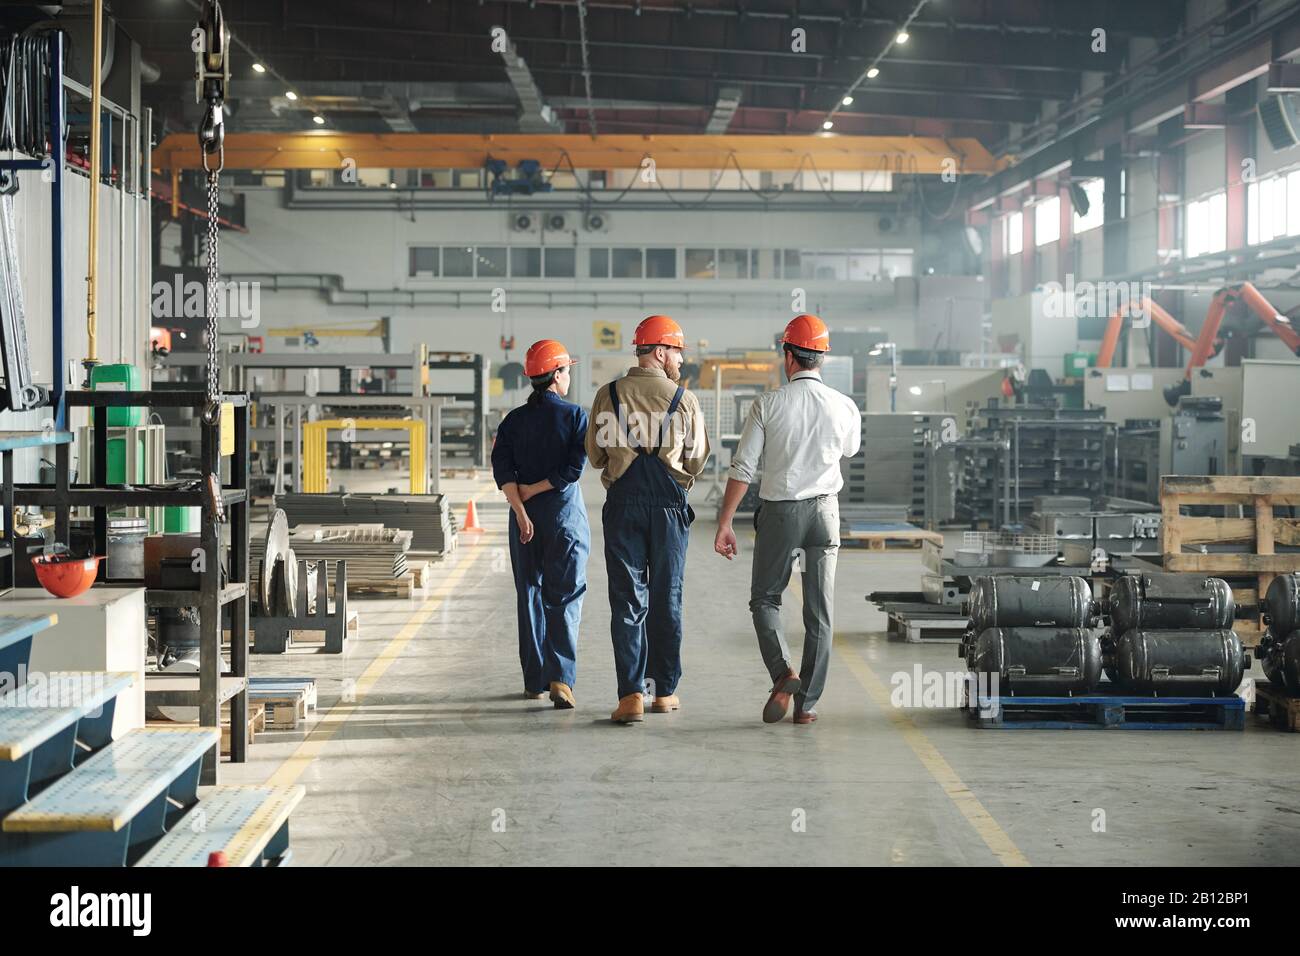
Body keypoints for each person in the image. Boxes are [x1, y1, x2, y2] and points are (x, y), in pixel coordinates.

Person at [713, 314, 862, 725]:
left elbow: (743, 468)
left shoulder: (769, 404)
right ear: (822, 360)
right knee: (820, 612)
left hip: (781, 512)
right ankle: (807, 705)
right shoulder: (845, 406)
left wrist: (724, 522)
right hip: (826, 514)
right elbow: (849, 451)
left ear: (787, 356)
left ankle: (783, 674)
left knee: (765, 598)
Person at [586, 315, 711, 724]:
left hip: (622, 506)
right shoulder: (684, 399)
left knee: (626, 600)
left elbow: (595, 456)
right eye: (676, 350)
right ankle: (665, 692)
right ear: (659, 351)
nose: (679, 359)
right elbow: (696, 459)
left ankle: (631, 696)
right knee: (666, 597)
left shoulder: (607, 395)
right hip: (670, 508)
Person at [491, 339, 590, 710]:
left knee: (529, 593)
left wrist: (520, 507)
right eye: (567, 371)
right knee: (564, 595)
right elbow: (573, 469)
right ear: (557, 375)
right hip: (564, 518)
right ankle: (561, 680)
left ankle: (534, 680)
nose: (568, 377)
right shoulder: (575, 416)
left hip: (523, 521)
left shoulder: (513, 421)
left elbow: (502, 470)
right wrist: (536, 490)